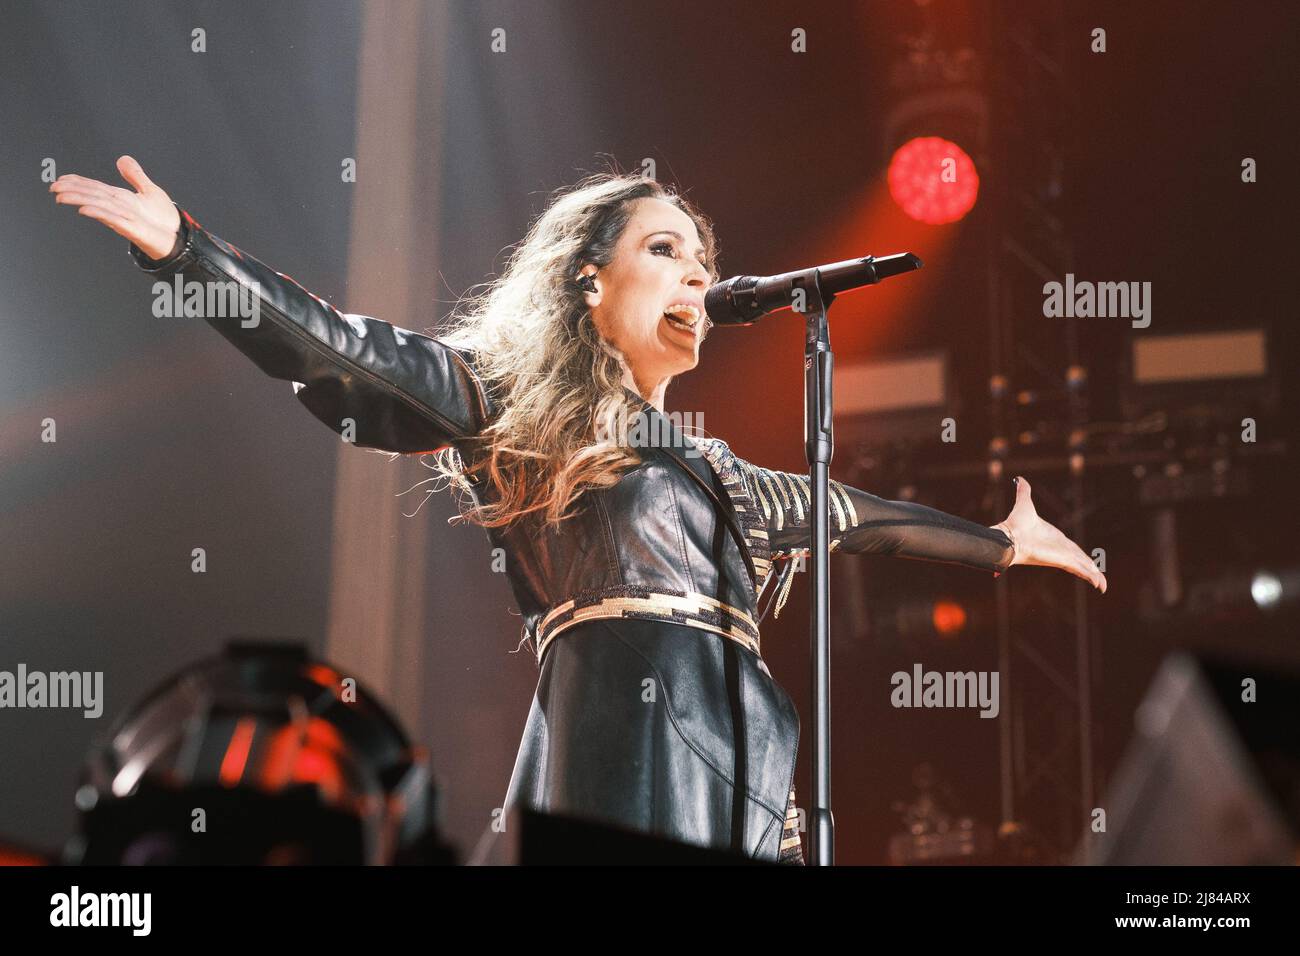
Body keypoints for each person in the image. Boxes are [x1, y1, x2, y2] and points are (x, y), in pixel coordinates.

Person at [51, 156, 1107, 865]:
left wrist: (1002, 543)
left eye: (702, 260)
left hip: (741, 751)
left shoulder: (727, 474)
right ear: (586, 281)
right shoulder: (512, 401)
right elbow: (339, 350)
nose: (697, 273)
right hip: (619, 731)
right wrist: (188, 252)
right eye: (664, 251)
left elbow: (860, 513)